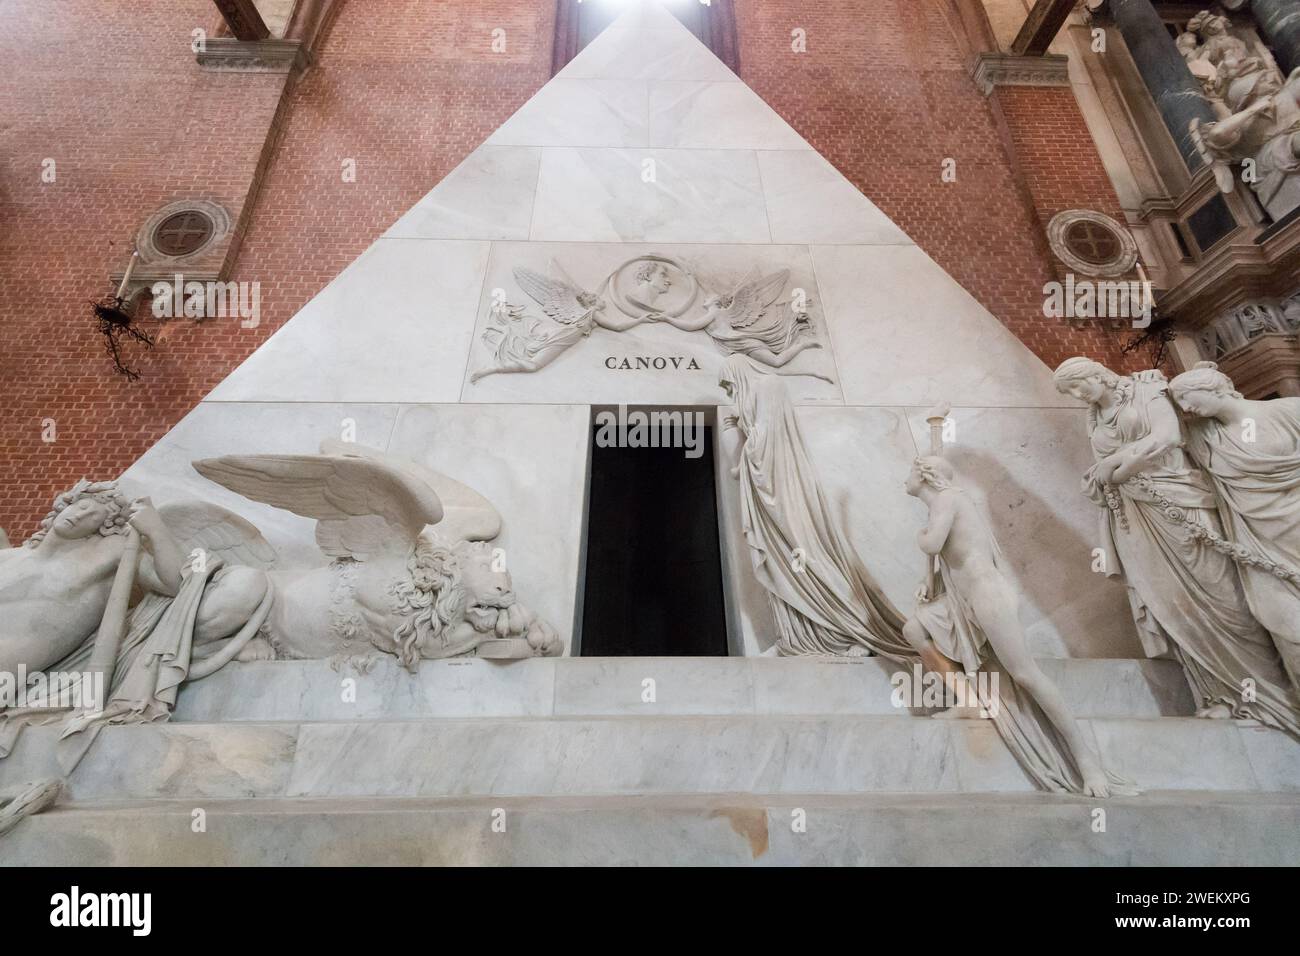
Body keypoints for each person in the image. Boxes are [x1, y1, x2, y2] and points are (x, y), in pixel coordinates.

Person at [1053, 358, 1300, 739]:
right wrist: (1100, 479)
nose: (1077, 395)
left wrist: (1116, 463)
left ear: (1097, 372)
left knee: (1225, 601)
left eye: (1077, 384)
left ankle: (1268, 696)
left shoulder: (1148, 388)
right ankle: (1222, 694)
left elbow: (1170, 436)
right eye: (1068, 392)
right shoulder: (1093, 417)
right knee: (1173, 603)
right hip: (1136, 514)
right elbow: (1109, 468)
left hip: (1183, 505)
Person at [903, 456, 1116, 797]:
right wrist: (926, 580)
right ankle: (969, 698)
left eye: (911, 472)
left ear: (926, 477)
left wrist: (921, 534)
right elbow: (954, 554)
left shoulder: (948, 498)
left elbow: (931, 544)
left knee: (1025, 674)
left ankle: (1087, 760)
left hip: (988, 596)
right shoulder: (943, 504)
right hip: (962, 600)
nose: (905, 480)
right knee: (914, 630)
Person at [1170, 362, 1300, 689]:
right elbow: (1154, 432)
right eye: (1180, 401)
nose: (1186, 407)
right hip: (1261, 547)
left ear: (1215, 387)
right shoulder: (1205, 436)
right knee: (1288, 628)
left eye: (1188, 396)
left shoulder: (1288, 411)